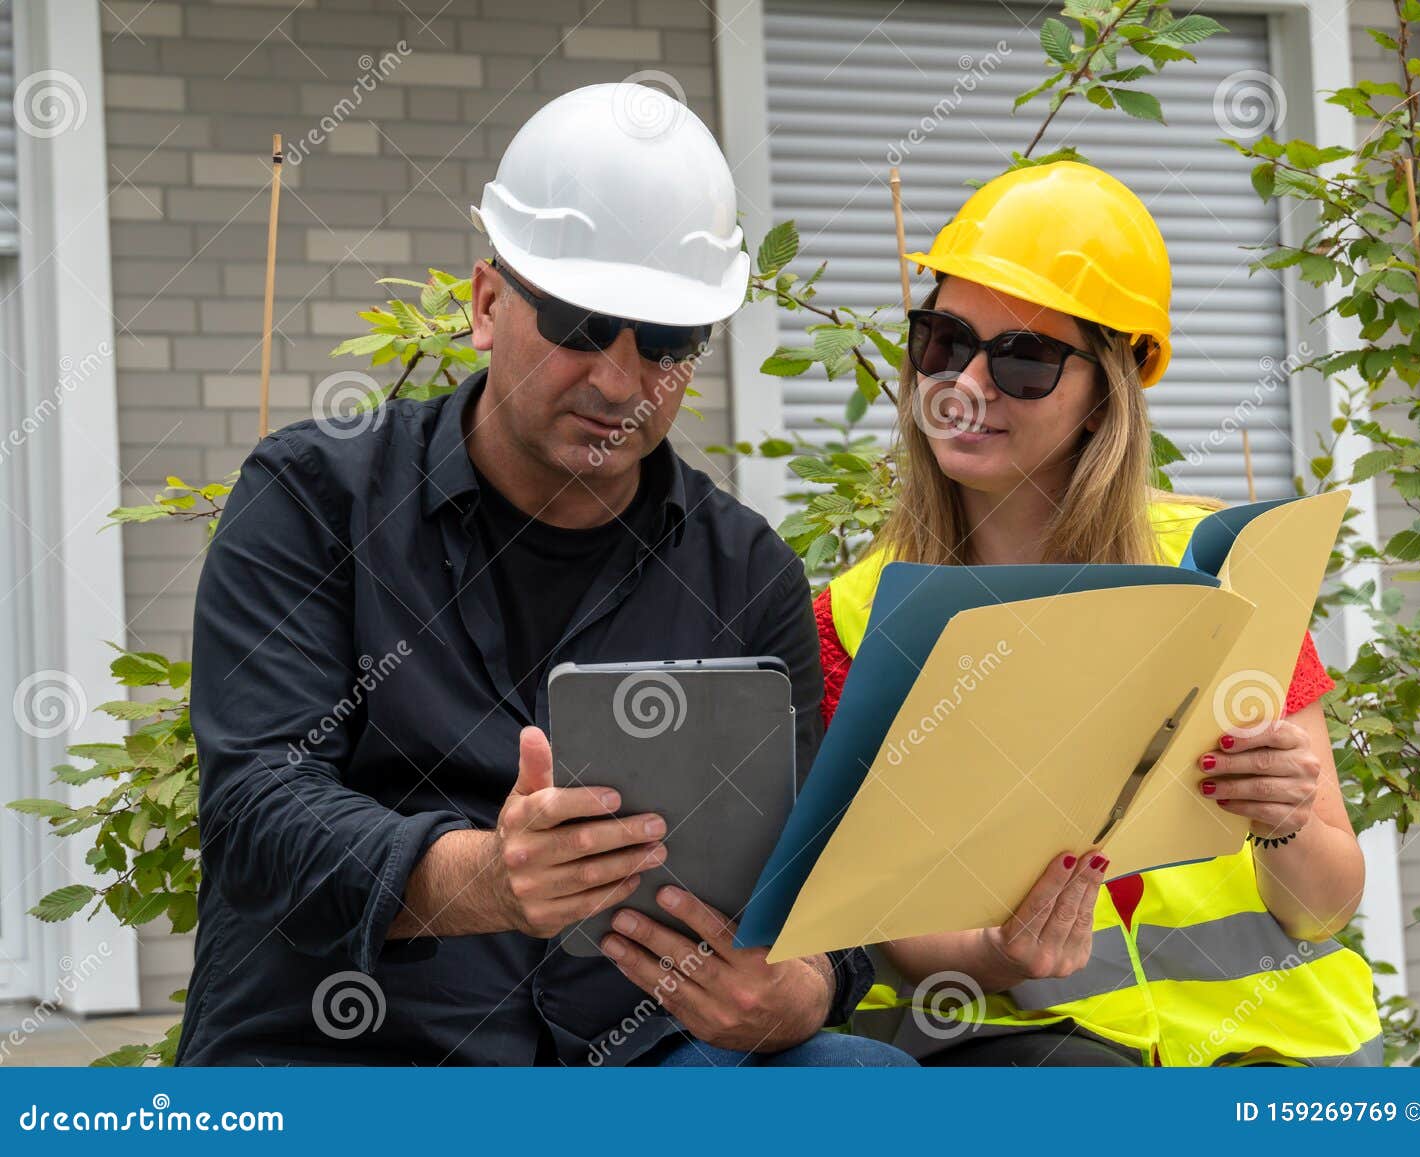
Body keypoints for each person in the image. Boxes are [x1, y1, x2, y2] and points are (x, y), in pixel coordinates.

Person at [178, 83, 908, 1068]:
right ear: (487, 303)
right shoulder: (315, 499)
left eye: (664, 342)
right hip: (347, 1052)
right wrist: (485, 876)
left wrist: (799, 989)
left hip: (633, 1058)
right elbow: (256, 807)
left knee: (858, 1079)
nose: (618, 379)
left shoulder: (742, 571)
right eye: (576, 321)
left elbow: (817, 872)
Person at [816, 161, 1382, 1066]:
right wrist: (993, 956)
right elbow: (888, 927)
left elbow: (1323, 902)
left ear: (1106, 391)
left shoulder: (1223, 567)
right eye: (942, 339)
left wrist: (1283, 820)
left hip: (1285, 1057)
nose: (966, 383)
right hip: (1026, 1060)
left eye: (1025, 359)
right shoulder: (853, 618)